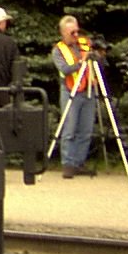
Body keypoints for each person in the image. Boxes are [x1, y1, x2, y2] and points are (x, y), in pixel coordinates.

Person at [51, 15, 104, 178]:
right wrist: (82, 62)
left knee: (86, 129)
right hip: (70, 90)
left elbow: (97, 63)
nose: (75, 35)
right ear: (63, 32)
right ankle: (68, 163)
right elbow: (65, 70)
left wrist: (99, 56)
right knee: (70, 128)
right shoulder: (58, 50)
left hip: (88, 89)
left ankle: (79, 162)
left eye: (76, 31)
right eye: (71, 32)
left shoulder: (85, 43)